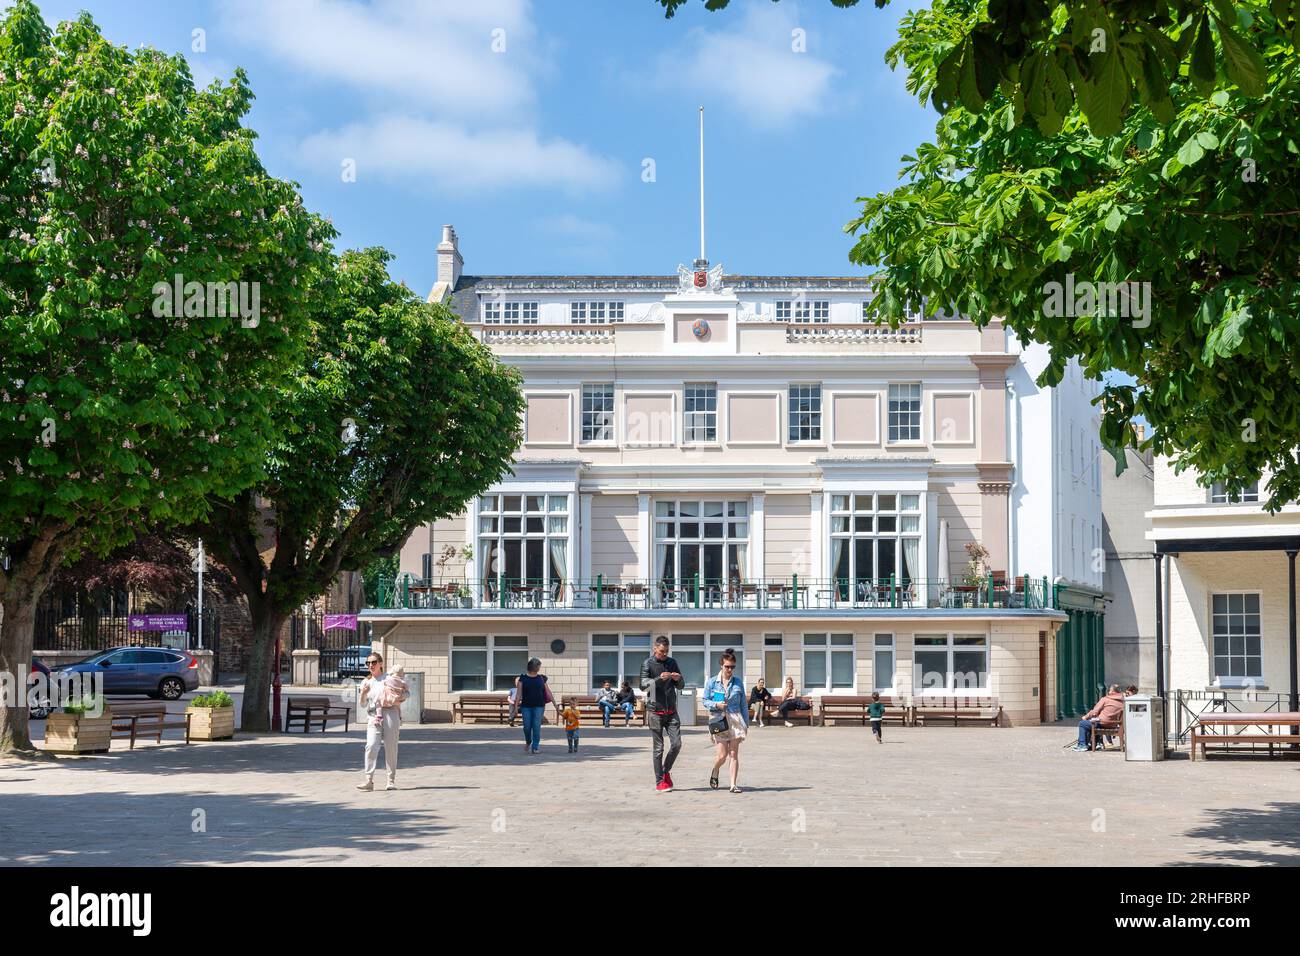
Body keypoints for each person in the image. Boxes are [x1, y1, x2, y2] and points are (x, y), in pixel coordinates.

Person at [640, 635, 684, 792]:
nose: (664, 654)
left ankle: (665, 771)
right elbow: (643, 686)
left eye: (666, 651)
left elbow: (680, 685)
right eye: (661, 652)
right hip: (655, 711)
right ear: (654, 649)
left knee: (677, 744)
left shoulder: (672, 662)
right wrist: (659, 678)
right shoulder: (648, 663)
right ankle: (659, 782)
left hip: (671, 711)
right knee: (658, 748)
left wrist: (678, 679)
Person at [356, 652, 406, 791]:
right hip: (373, 715)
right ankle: (368, 780)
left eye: (373, 662)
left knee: (391, 747)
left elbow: (406, 692)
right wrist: (363, 693)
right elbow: (362, 704)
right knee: (371, 746)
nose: (371, 665)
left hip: (390, 712)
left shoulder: (389, 678)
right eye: (368, 663)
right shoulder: (366, 682)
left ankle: (391, 780)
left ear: (381, 663)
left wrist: (399, 698)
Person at [703, 649, 748, 792]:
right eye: (727, 666)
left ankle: (733, 784)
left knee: (734, 754)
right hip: (719, 720)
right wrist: (716, 704)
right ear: (721, 666)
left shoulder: (738, 682)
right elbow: (704, 700)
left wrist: (745, 724)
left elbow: (743, 705)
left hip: (735, 720)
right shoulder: (712, 683)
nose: (730, 669)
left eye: (732, 667)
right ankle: (715, 770)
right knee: (722, 756)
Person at [515, 658, 557, 754]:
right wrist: (516, 706)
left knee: (536, 726)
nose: (539, 668)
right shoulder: (523, 678)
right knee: (526, 727)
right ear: (534, 666)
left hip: (539, 706)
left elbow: (548, 692)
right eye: (538, 666)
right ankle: (528, 741)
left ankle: (535, 747)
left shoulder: (541, 678)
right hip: (526, 706)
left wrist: (555, 705)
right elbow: (518, 694)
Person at [1073, 684, 1125, 752]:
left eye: (1109, 690)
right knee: (1090, 724)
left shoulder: (1105, 699)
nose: (1108, 692)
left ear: (1113, 692)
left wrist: (1086, 717)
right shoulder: (1123, 701)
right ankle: (1093, 744)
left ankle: (1082, 745)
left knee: (1082, 723)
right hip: (1114, 725)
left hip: (1102, 723)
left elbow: (1094, 712)